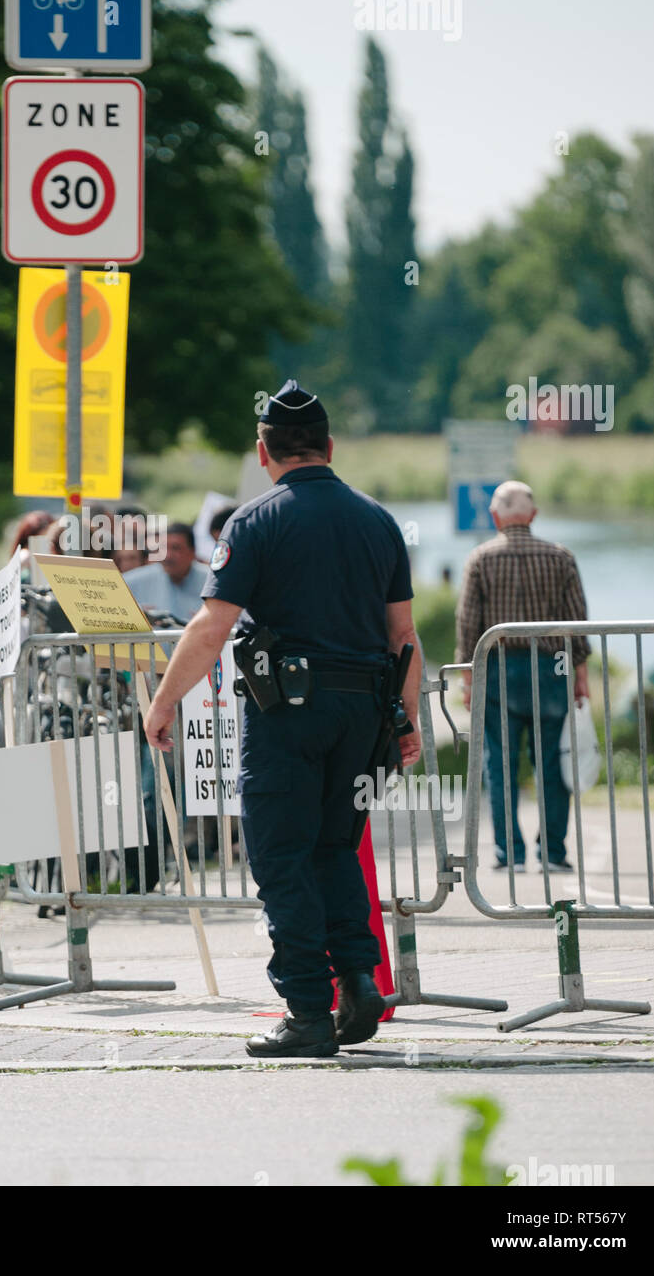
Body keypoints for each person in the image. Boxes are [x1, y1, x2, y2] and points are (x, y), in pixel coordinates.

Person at [143, 381, 421, 1058]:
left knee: (280, 856)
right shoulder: (377, 521)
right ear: (328, 447)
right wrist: (407, 722)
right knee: (334, 849)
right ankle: (357, 984)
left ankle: (305, 1011)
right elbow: (403, 636)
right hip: (362, 713)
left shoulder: (252, 523)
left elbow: (212, 627)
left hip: (285, 714)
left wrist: (163, 700)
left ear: (263, 452)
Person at [455, 480, 590, 873]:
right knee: (552, 761)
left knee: (500, 763)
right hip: (550, 668)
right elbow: (576, 621)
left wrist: (468, 677)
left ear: (495, 517)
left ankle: (509, 854)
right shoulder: (560, 557)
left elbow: (468, 625)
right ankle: (552, 853)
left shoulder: (480, 559)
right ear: (532, 515)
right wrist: (580, 673)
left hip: (498, 669)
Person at [124, 522, 210, 623]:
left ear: (192, 552)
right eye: (163, 548)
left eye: (176, 548)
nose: (168, 555)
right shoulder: (131, 581)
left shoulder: (213, 582)